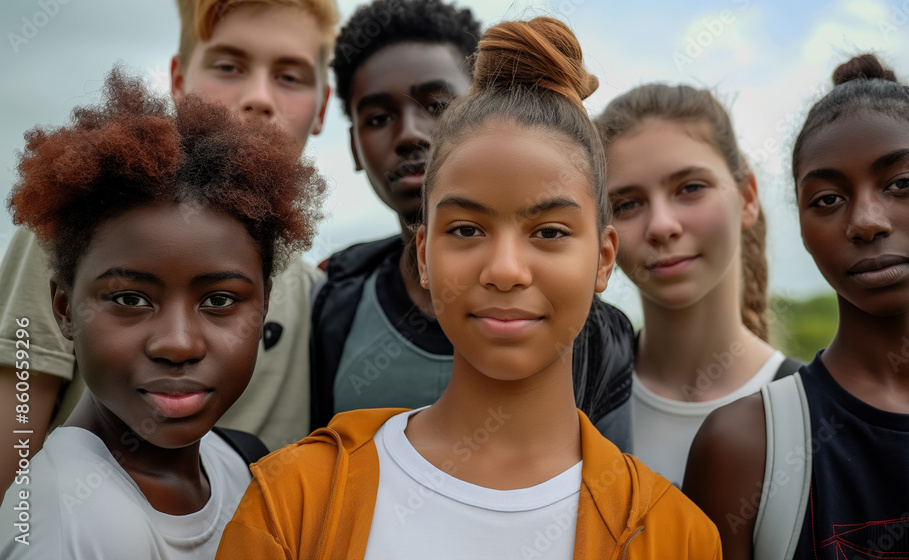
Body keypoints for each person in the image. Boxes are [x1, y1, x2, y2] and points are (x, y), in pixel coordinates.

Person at [217, 17, 721, 558]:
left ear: (603, 260)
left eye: (549, 232)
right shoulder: (292, 500)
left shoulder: (674, 535)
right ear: (425, 255)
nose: (505, 270)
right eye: (466, 229)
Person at [0, 0, 338, 478]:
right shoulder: (78, 230)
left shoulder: (319, 293)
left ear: (322, 107)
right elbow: (13, 430)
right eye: (228, 66)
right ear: (178, 81)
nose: (259, 97)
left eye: (290, 76)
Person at [684, 54, 909, 560]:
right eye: (828, 199)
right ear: (806, 228)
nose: (866, 222)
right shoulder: (745, 447)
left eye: (901, 183)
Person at [312, 0, 635, 450]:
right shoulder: (331, 295)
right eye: (379, 117)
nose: (409, 133)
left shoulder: (596, 332)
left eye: (439, 106)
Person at [593, 84, 801, 486]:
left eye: (690, 188)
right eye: (627, 204)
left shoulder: (814, 412)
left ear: (747, 198)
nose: (662, 226)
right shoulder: (574, 405)